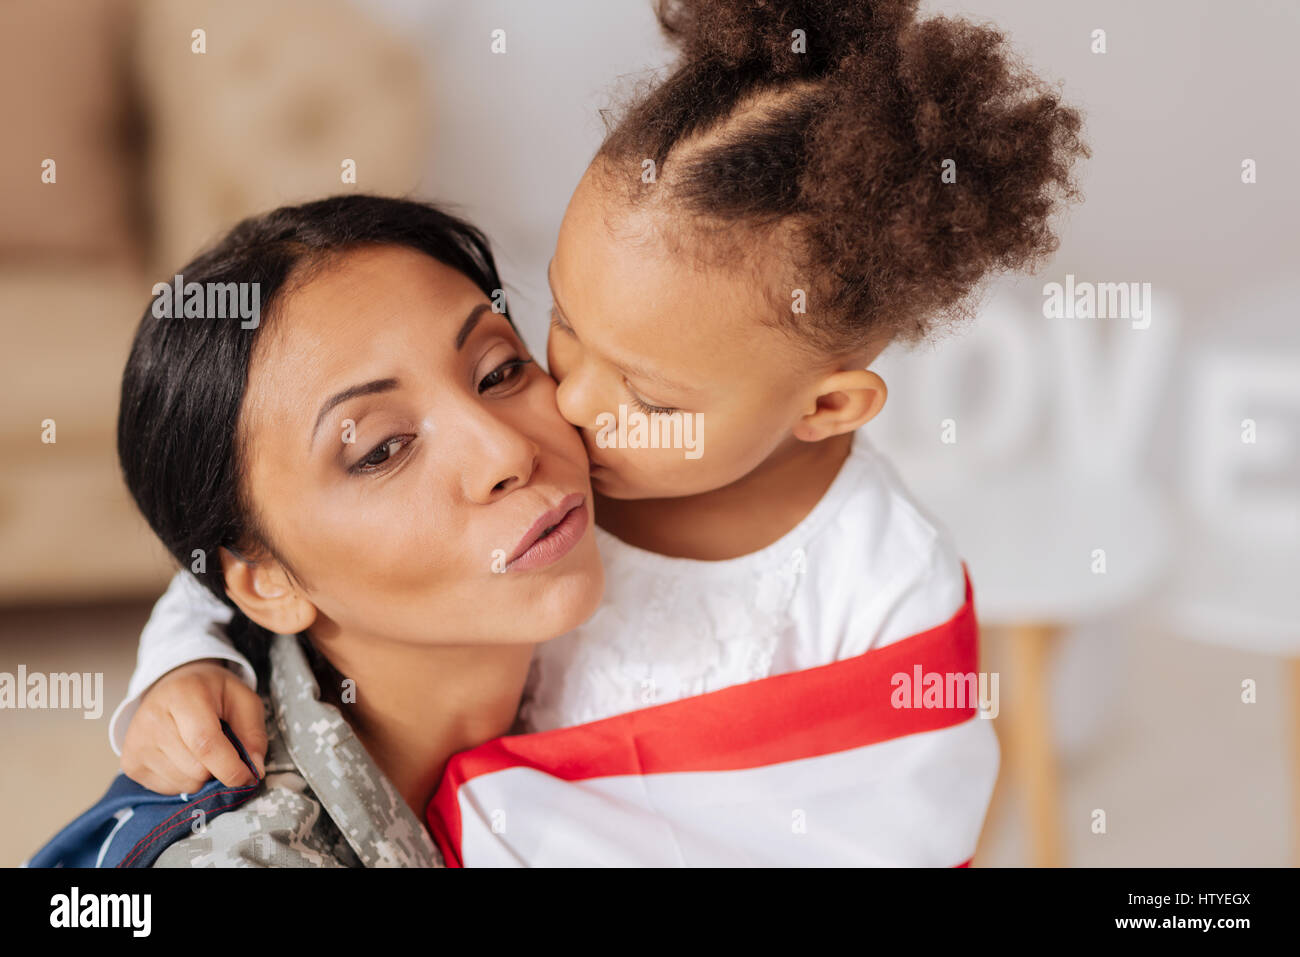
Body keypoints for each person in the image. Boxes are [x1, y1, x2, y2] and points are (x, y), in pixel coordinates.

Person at [106, 0, 1086, 866]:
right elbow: (248, 533)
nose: (558, 414)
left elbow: (893, 822)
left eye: (648, 398)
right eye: (556, 333)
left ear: (823, 408)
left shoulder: (883, 588)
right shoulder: (580, 451)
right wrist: (186, 663)